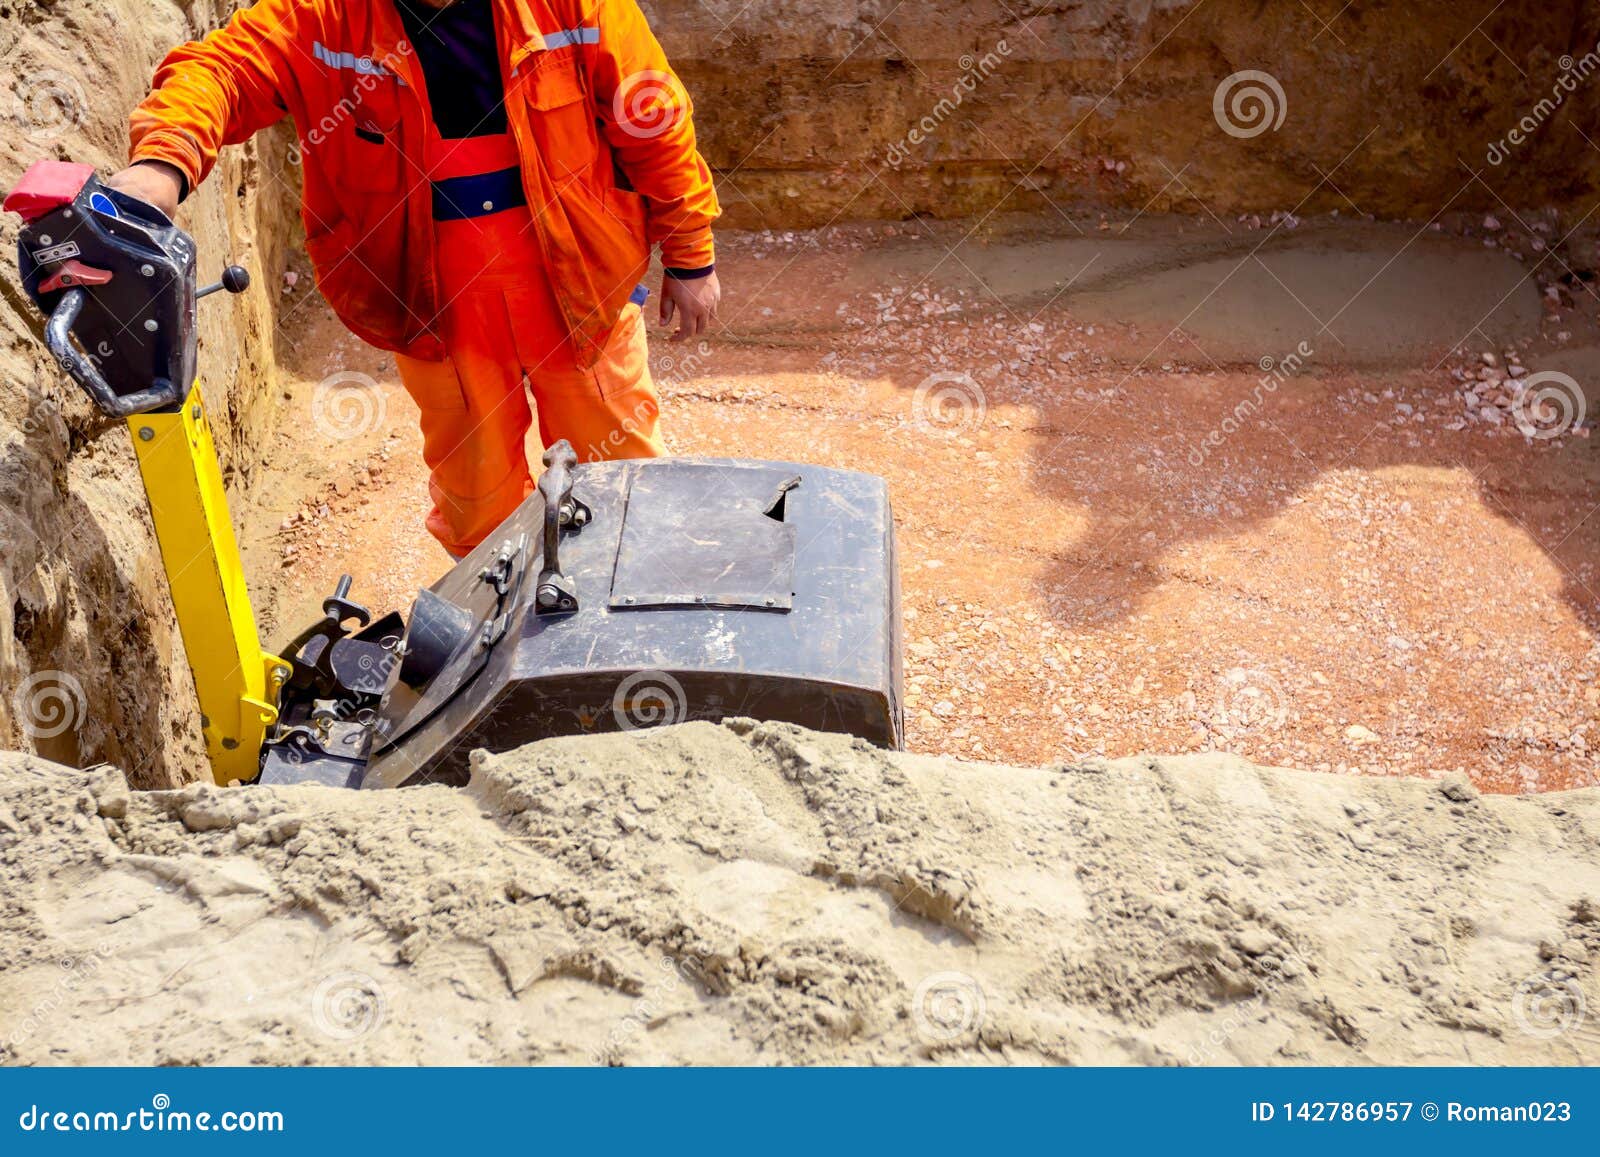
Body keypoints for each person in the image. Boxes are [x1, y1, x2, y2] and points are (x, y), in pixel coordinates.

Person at [107, 0, 722, 557]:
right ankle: (502, 633)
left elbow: (653, 116)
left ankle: (635, 613)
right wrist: (162, 165)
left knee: (619, 472)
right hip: (432, 296)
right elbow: (221, 71)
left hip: (578, 277)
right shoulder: (322, 17)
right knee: (477, 494)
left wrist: (691, 252)